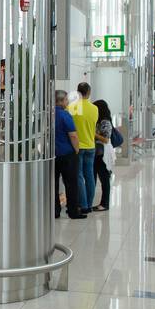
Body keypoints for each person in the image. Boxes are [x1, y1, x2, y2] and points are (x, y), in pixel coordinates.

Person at [53, 90, 85, 220]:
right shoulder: (65, 115)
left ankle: (55, 210)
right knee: (71, 184)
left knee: (53, 184)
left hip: (52, 155)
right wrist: (77, 149)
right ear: (62, 101)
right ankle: (73, 211)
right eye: (66, 100)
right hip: (67, 155)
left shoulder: (48, 114)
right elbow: (73, 135)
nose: (67, 102)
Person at [68, 82, 98, 215]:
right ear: (89, 92)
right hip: (91, 145)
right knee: (89, 175)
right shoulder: (95, 108)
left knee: (79, 175)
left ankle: (83, 205)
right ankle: (89, 204)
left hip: (77, 147)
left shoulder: (72, 107)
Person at [93, 99, 117, 212]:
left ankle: (105, 203)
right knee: (97, 178)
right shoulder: (99, 121)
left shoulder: (105, 122)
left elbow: (106, 139)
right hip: (97, 152)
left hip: (103, 153)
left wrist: (93, 134)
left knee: (104, 179)